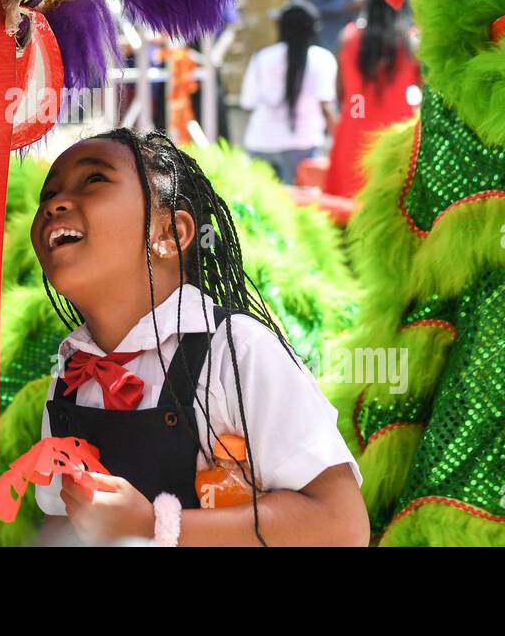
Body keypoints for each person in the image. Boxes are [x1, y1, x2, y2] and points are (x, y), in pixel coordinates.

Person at [28, 128, 367, 546]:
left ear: (171, 235)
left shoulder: (239, 350)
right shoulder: (71, 374)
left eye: (94, 180)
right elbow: (61, 523)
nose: (54, 204)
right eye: (48, 195)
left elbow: (341, 525)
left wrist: (152, 525)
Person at [324, 0, 421, 199]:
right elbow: (424, 91)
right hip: (397, 137)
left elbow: (340, 93)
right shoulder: (411, 45)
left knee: (348, 211)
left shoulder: (347, 38)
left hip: (354, 134)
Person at [239, 0, 338, 184]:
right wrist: (340, 141)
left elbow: (247, 102)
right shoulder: (323, 59)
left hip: (262, 142)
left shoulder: (262, 57)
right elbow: (327, 107)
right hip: (305, 146)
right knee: (300, 209)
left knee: (264, 208)